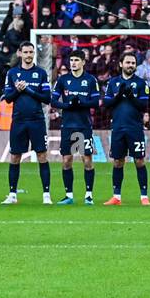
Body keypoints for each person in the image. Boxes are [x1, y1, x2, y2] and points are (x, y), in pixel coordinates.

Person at [1, 41, 52, 204]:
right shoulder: (12, 73)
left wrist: (28, 89)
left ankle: (46, 195)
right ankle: (12, 195)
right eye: (26, 52)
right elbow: (7, 98)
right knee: (15, 157)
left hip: (37, 120)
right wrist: (17, 89)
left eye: (31, 52)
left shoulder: (41, 73)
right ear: (20, 53)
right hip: (19, 121)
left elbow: (47, 98)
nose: (29, 55)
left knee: (42, 156)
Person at [102, 51, 150, 206]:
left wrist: (131, 96)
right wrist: (118, 96)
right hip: (118, 128)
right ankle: (116, 197)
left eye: (133, 63)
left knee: (139, 160)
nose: (130, 65)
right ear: (121, 64)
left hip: (135, 128)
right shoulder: (112, 83)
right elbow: (106, 105)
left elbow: (144, 106)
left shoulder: (141, 83)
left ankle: (144, 196)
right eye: (128, 62)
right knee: (118, 161)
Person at [50, 49, 100, 205]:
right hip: (68, 125)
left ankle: (89, 195)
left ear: (83, 62)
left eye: (77, 60)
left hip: (84, 126)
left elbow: (95, 102)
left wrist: (82, 103)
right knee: (66, 160)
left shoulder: (91, 80)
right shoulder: (63, 79)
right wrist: (67, 105)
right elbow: (52, 100)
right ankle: (69, 195)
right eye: (71, 60)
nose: (73, 63)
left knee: (87, 160)